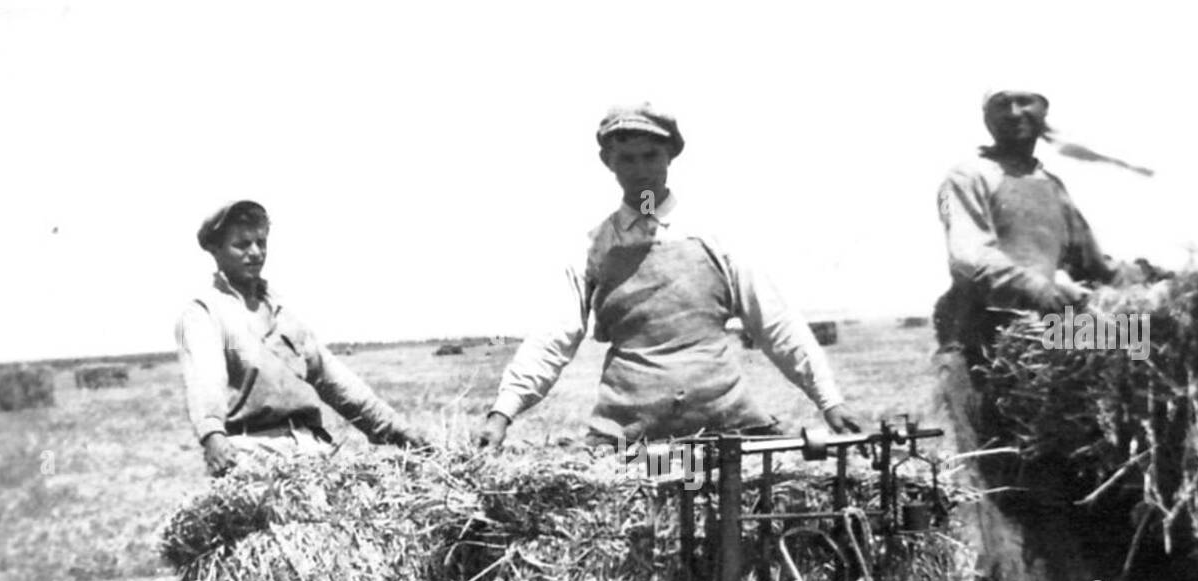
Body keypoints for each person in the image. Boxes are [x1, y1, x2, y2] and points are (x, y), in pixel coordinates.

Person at [478, 103, 861, 450]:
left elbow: (775, 323)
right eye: (627, 159)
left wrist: (829, 401)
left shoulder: (717, 238)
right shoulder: (593, 247)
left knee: (726, 505)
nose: (641, 171)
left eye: (651, 156)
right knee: (662, 508)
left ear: (672, 156)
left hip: (726, 433)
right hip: (635, 443)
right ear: (607, 162)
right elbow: (553, 337)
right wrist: (502, 413)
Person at [934, 88, 1117, 581]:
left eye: (1027, 103)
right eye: (1001, 106)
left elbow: (1092, 263)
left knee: (1058, 473)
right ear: (985, 118)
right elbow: (969, 260)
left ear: (1045, 112)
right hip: (985, 349)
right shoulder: (969, 176)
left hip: (1048, 352)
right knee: (1008, 483)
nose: (1015, 115)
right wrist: (1038, 289)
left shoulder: (1051, 185)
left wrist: (1143, 282)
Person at [176, 200, 430, 477]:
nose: (255, 252)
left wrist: (399, 432)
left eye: (261, 242)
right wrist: (212, 433)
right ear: (215, 249)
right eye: (242, 244)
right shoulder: (205, 313)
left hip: (313, 450)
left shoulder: (283, 313)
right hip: (252, 455)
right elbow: (205, 380)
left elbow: (338, 382)